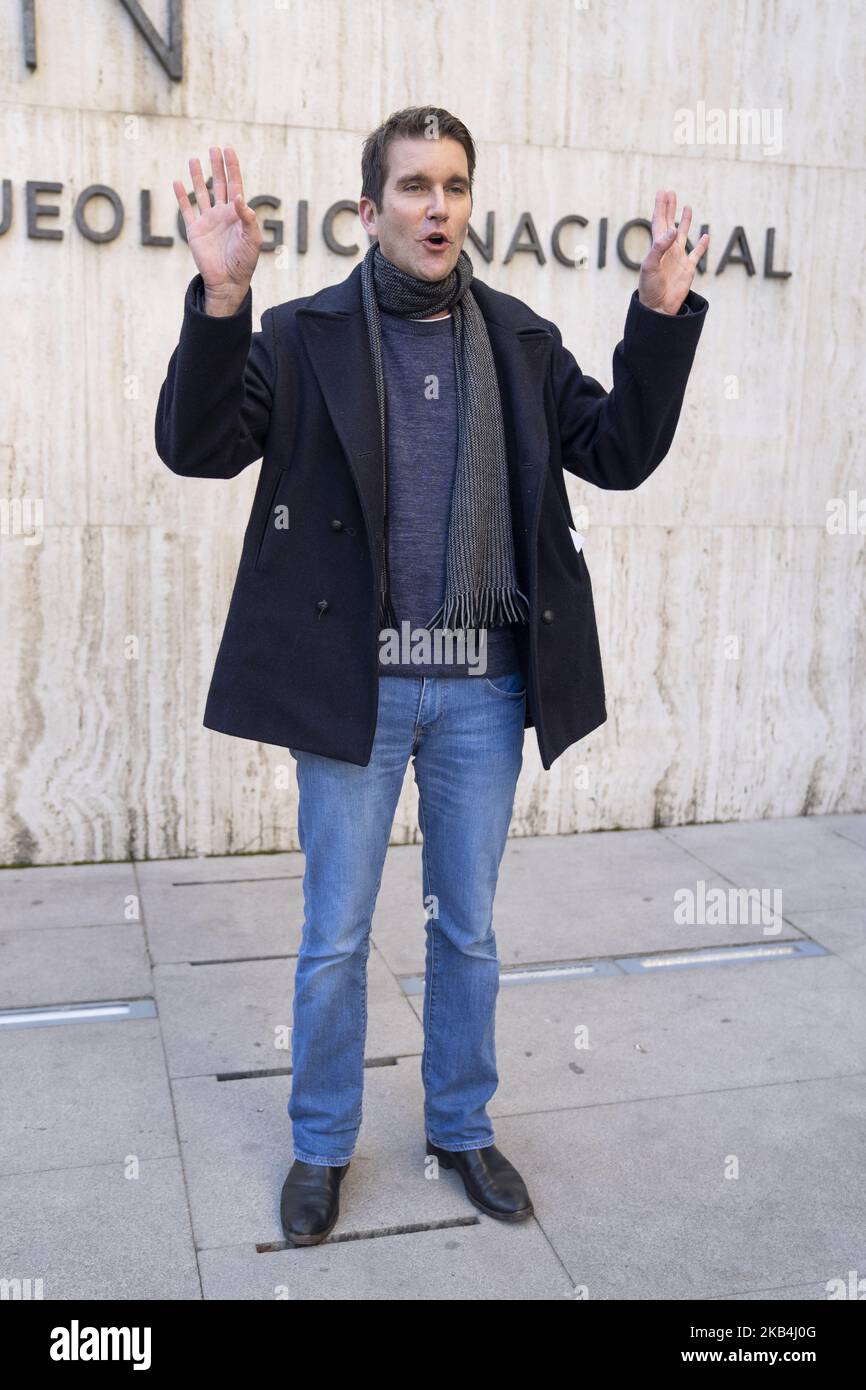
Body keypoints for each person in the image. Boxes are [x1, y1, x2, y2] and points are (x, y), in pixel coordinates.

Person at [155, 105, 709, 1247]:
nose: (437, 206)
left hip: (481, 691)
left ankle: (460, 1127)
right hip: (351, 693)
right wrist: (221, 298)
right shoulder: (301, 336)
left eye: (453, 185)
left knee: (466, 931)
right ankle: (321, 1144)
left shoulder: (519, 341)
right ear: (371, 211)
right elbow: (196, 446)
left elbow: (616, 453)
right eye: (413, 187)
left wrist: (657, 319)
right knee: (335, 937)